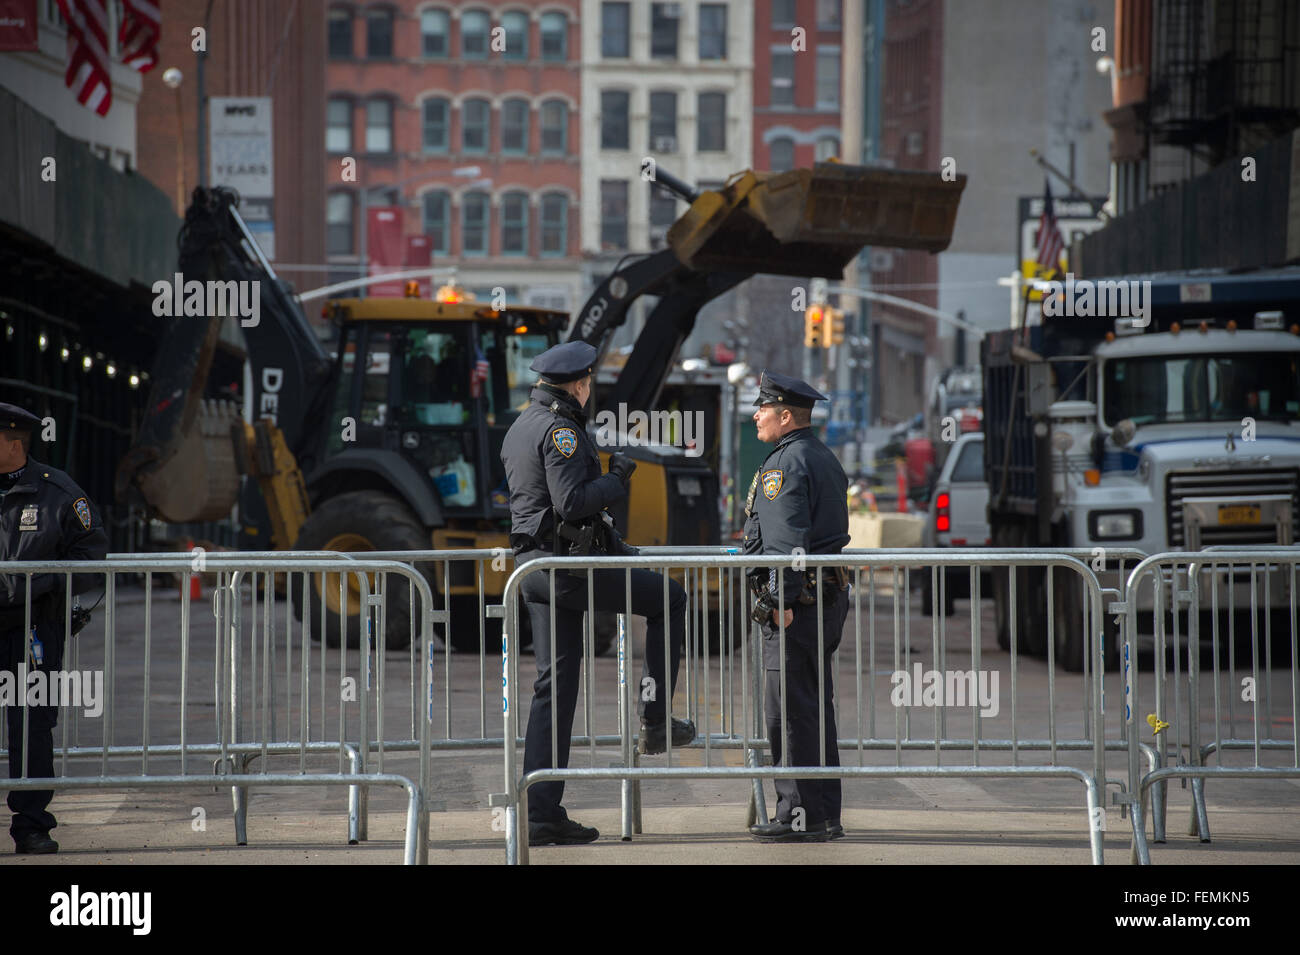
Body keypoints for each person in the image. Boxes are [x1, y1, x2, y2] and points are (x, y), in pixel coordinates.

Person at [499, 341, 694, 846]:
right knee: (669, 599)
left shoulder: (523, 423)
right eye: (589, 385)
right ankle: (655, 718)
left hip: (536, 568)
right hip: (570, 570)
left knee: (554, 686)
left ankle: (541, 813)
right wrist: (615, 478)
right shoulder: (561, 430)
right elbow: (571, 502)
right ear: (579, 384)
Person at [742, 372, 850, 843]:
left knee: (787, 711)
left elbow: (786, 546)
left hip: (797, 605)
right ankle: (823, 814)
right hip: (824, 598)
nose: (755, 415)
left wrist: (781, 602)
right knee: (812, 706)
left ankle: (797, 815)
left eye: (762, 408)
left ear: (785, 415)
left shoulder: (782, 467)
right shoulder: (820, 456)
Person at [0, 402, 108, 854]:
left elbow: (90, 557)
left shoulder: (58, 494)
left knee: (31, 724)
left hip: (31, 626)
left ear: (13, 441)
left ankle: (31, 824)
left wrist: (36, 584)